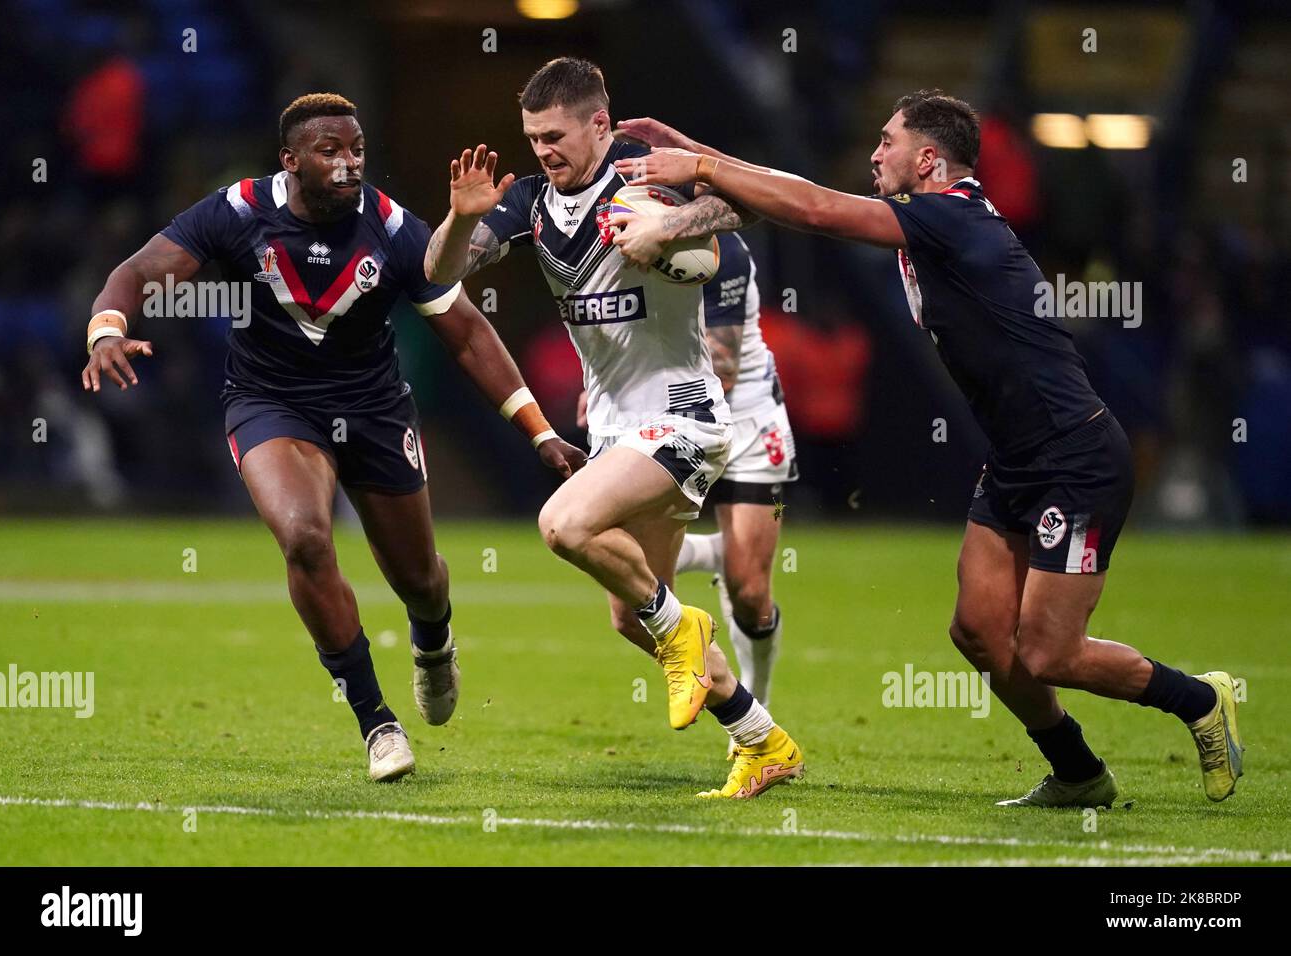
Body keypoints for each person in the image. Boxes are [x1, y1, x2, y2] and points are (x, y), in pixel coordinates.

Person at [612, 92, 1243, 806]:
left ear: (929, 159)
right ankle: (1078, 774)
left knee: (1048, 651)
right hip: (1016, 459)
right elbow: (801, 196)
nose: (875, 153)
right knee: (978, 630)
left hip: (1076, 456)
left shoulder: (952, 216)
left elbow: (815, 208)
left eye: (887, 141)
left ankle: (1199, 699)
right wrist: (700, 154)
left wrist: (699, 165)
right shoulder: (933, 219)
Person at [81, 93, 585, 783]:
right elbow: (139, 270)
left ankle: (433, 640)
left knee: (420, 579)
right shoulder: (237, 212)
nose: (349, 165)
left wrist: (538, 433)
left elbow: (466, 329)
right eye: (330, 152)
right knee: (305, 538)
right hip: (271, 404)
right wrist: (107, 327)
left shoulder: (394, 228)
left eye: (357, 151)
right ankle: (376, 721)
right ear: (291, 161)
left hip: (374, 408)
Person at [424, 58, 804, 798]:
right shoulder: (531, 200)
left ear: (601, 123)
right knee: (634, 619)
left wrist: (671, 222)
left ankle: (685, 627)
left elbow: (755, 204)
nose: (543, 151)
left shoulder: (644, 171)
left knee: (563, 525)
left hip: (685, 415)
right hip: (616, 428)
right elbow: (439, 275)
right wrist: (463, 216)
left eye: (556, 135)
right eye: (533, 138)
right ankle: (762, 741)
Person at [672, 232, 797, 712]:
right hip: (667, 411)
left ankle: (757, 697)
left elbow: (719, 371)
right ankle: (729, 551)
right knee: (629, 558)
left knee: (749, 593)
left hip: (747, 419)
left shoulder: (718, 248)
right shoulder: (618, 240)